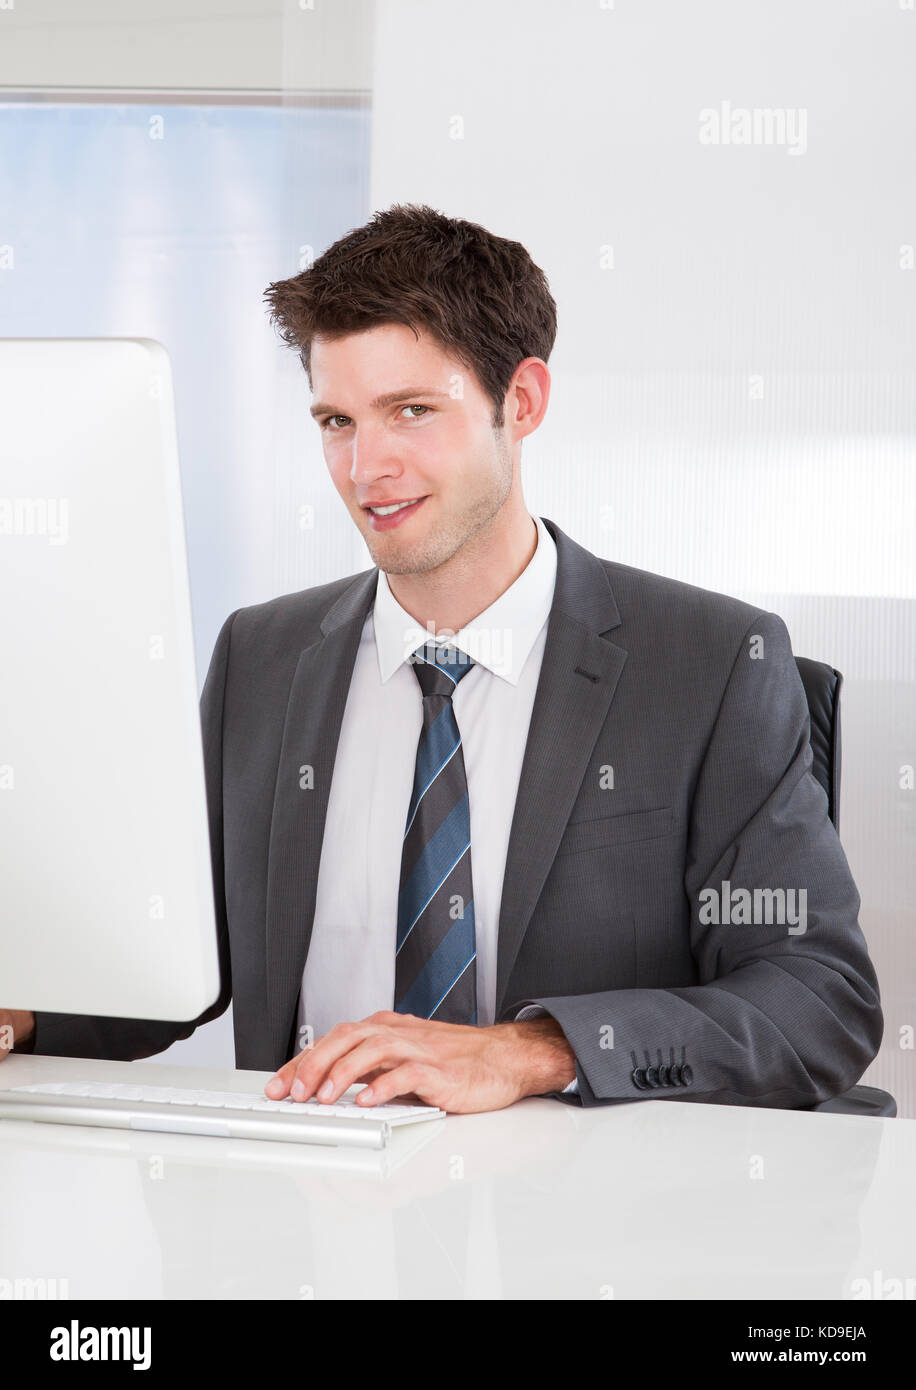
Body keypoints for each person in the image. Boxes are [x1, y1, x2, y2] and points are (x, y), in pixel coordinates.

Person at [4, 204, 882, 1114]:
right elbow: (176, 961)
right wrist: (19, 1015)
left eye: (411, 411)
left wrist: (532, 1051)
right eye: (337, 421)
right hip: (304, 1212)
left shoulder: (707, 665)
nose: (364, 466)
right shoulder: (261, 658)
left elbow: (818, 999)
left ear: (523, 401)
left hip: (579, 1223)